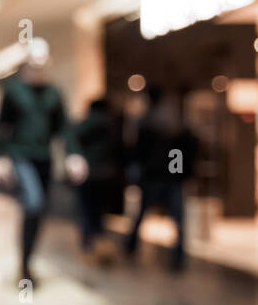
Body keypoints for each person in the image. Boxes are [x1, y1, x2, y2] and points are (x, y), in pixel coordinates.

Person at [0, 39, 85, 285]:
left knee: (38, 210)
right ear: (27, 65)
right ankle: (24, 265)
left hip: (44, 158)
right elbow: (2, 127)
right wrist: (3, 158)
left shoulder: (53, 94)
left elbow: (64, 129)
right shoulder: (14, 92)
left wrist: (73, 155)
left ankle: (27, 260)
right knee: (33, 203)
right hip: (20, 156)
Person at [124, 87, 198, 271]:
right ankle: (177, 256)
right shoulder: (171, 122)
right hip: (167, 176)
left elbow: (141, 152)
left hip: (156, 175)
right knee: (175, 220)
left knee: (145, 214)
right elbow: (181, 149)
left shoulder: (149, 122)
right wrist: (179, 172)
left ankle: (132, 246)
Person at [66, 96, 120, 263]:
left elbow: (71, 135)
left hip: (89, 175)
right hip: (106, 175)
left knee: (86, 210)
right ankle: (100, 245)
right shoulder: (112, 124)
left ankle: (89, 247)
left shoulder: (89, 122)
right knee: (98, 213)